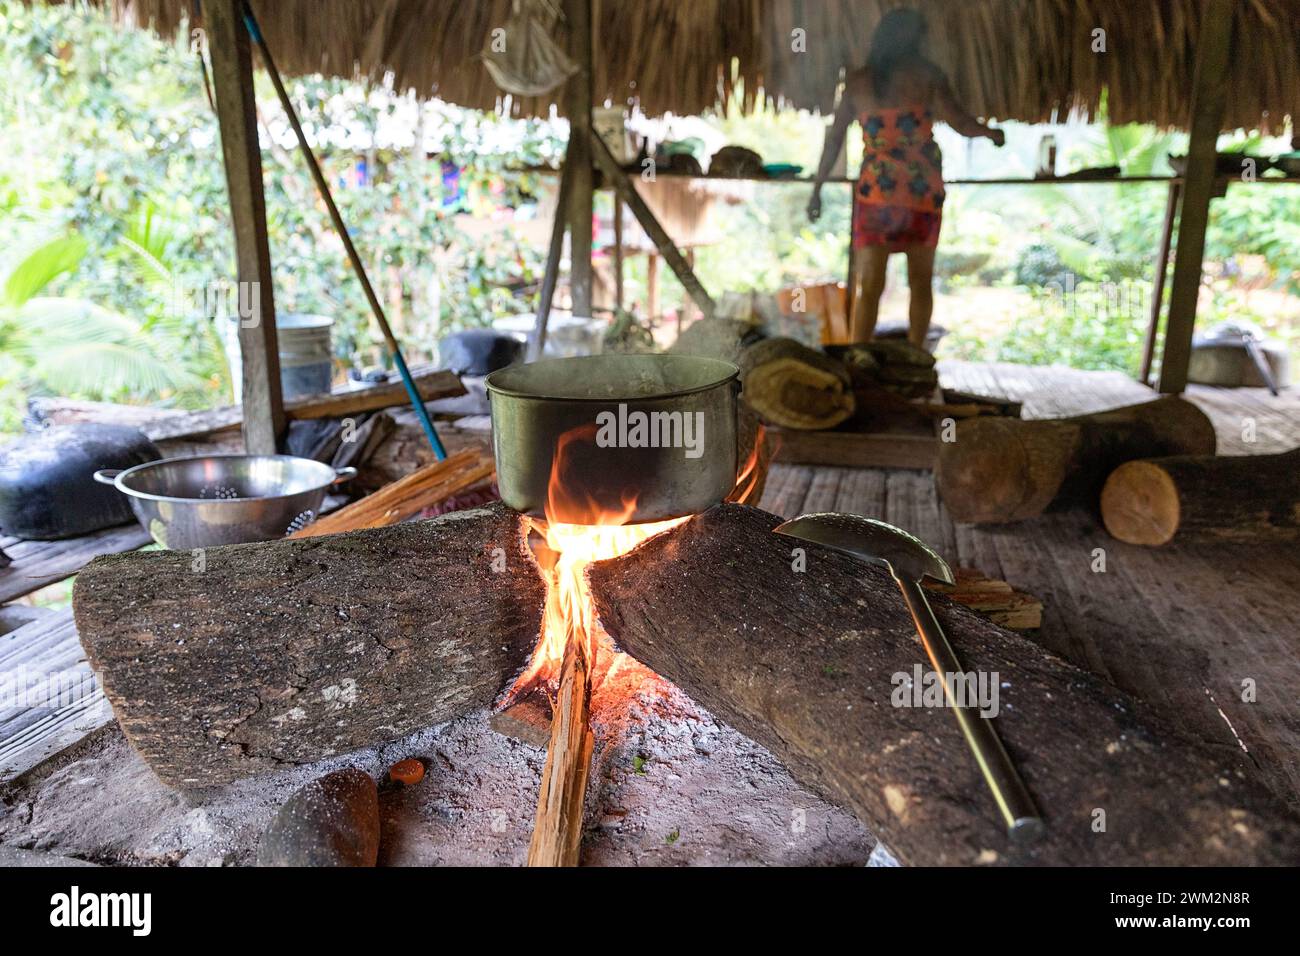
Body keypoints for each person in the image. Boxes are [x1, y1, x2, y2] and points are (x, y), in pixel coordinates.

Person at [808, 8, 1005, 346]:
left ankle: (860, 357)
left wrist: (817, 188)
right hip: (920, 192)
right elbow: (961, 122)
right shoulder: (928, 74)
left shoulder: (858, 81)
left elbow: (835, 137)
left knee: (869, 286)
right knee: (920, 282)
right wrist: (991, 133)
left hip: (875, 194)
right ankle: (917, 357)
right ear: (914, 39)